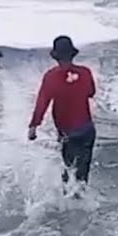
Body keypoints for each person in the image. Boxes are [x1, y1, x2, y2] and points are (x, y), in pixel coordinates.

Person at [28, 36, 97, 191]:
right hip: (87, 130)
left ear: (55, 56)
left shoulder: (51, 77)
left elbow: (42, 103)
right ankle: (83, 198)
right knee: (82, 174)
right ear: (72, 54)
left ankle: (67, 199)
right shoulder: (85, 72)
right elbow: (91, 92)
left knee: (68, 170)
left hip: (68, 132)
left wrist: (33, 126)